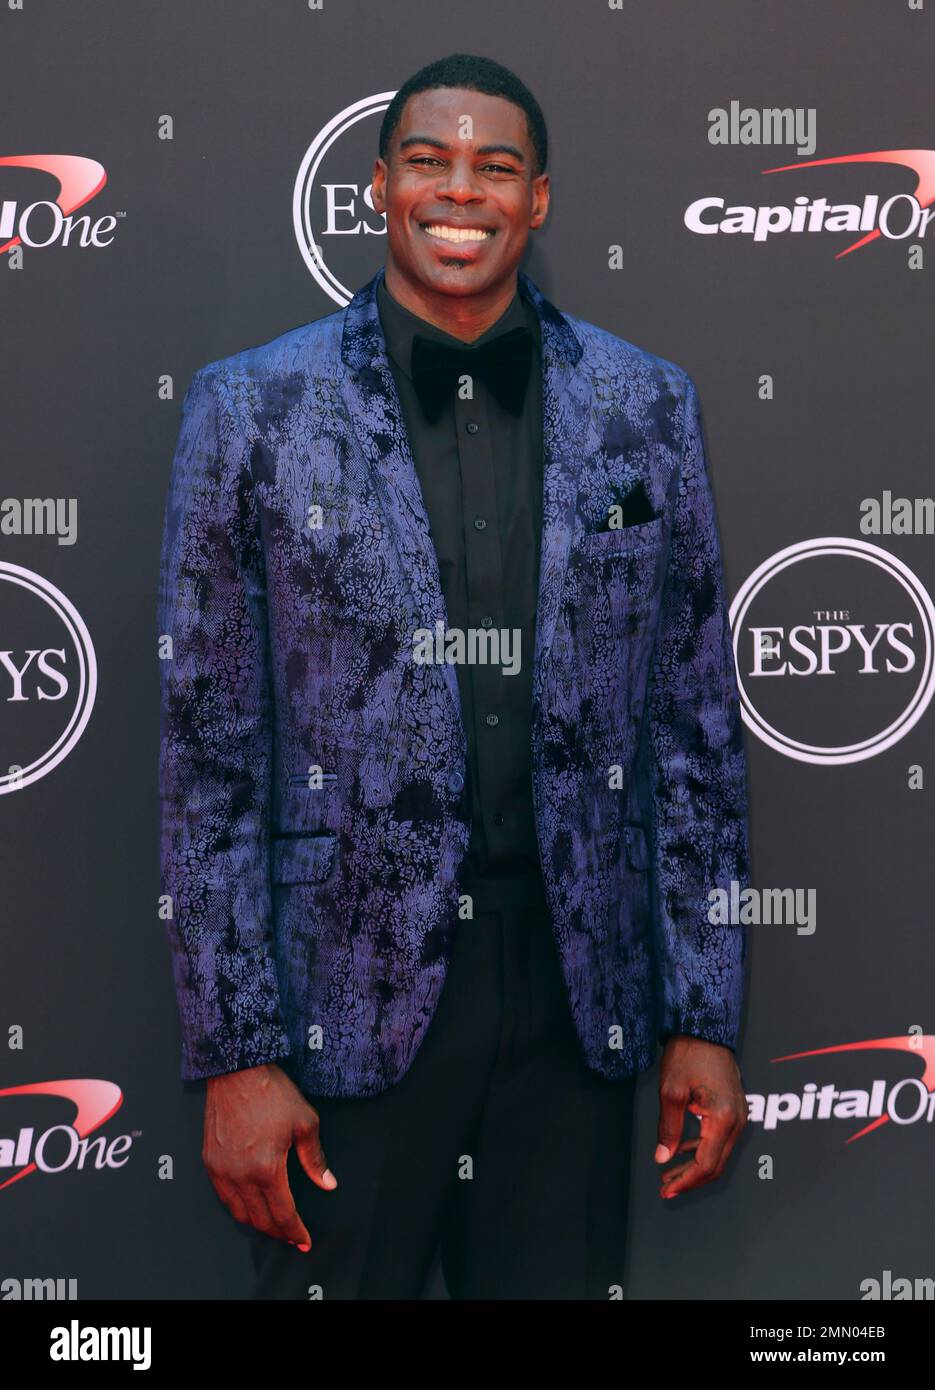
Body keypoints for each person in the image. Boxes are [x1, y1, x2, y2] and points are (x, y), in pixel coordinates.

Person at [158, 52, 750, 1301]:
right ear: (378, 187)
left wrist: (704, 1011)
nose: (458, 190)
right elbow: (206, 754)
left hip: (571, 1005)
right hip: (340, 1015)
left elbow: (692, 730)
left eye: (495, 166)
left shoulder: (649, 407)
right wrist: (236, 1053)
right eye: (428, 160)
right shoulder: (248, 411)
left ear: (536, 201)